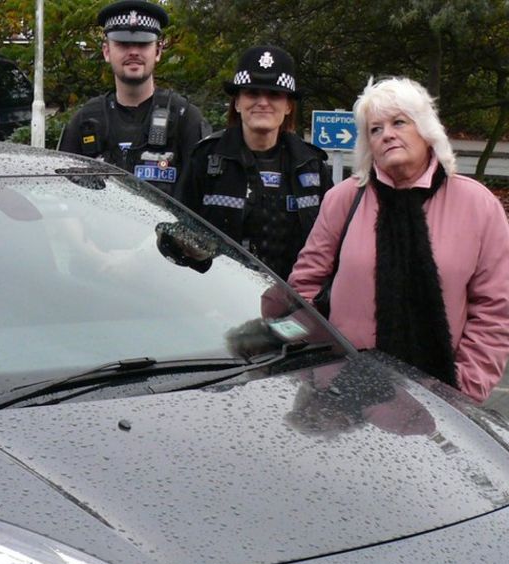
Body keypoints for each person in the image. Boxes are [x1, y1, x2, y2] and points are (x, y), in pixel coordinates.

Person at [289, 76, 509, 403]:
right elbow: (303, 287)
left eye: (399, 122)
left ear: (426, 129)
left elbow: (494, 309)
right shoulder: (343, 200)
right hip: (343, 397)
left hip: (442, 402)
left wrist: (465, 387)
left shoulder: (478, 205)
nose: (387, 134)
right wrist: (317, 371)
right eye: (375, 129)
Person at [177, 45, 332, 281]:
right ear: (237, 103)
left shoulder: (312, 165)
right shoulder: (205, 159)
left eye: (274, 95)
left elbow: (330, 246)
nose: (263, 102)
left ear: (288, 105)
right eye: (252, 93)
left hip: (295, 305)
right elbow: (181, 234)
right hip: (217, 300)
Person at [57, 0, 209, 196]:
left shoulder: (185, 120)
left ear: (158, 51)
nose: (134, 52)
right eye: (123, 44)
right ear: (106, 51)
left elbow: (201, 201)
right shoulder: (85, 121)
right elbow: (64, 198)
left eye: (143, 44)